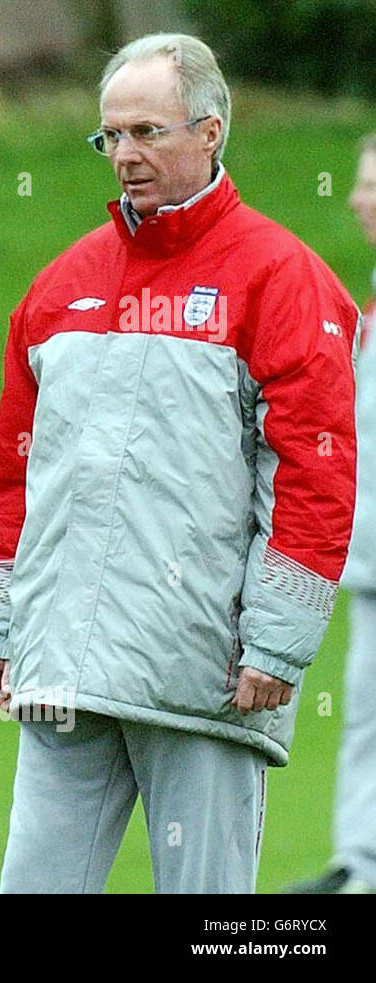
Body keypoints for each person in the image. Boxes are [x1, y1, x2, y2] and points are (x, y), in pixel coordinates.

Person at [0, 33, 360, 893]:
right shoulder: (59, 285)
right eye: (110, 136)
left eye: (147, 132)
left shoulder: (283, 278)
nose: (125, 155)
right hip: (64, 662)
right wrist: (0, 623)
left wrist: (278, 643)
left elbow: (313, 471)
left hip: (206, 669)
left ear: (212, 130)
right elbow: (14, 471)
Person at [287, 135, 376, 895]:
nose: (355, 199)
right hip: (370, 556)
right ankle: (360, 863)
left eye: (371, 186)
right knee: (366, 715)